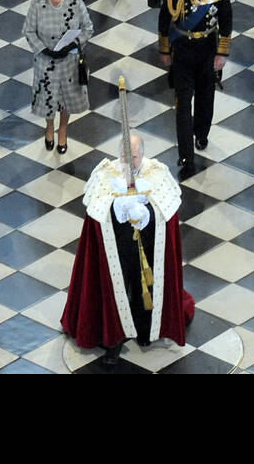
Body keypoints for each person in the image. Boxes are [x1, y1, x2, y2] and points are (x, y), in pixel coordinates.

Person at [62, 131, 188, 365]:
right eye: (124, 156)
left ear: (143, 154)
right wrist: (117, 206)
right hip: (116, 250)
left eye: (135, 157)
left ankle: (145, 329)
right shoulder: (105, 174)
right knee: (117, 290)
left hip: (148, 247)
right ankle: (114, 340)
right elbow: (96, 209)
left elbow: (166, 212)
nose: (129, 162)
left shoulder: (157, 173)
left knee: (145, 289)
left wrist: (146, 212)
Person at [157, 0, 232, 181]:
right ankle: (185, 154)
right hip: (183, 52)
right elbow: (163, 21)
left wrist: (222, 52)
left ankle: (201, 134)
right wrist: (164, 50)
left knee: (205, 97)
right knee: (182, 104)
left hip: (207, 49)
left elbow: (226, 20)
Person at [23, 0, 94, 155]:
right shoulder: (36, 5)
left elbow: (88, 28)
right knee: (48, 98)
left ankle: (62, 130)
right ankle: (49, 127)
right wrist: (44, 50)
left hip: (69, 61)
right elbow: (28, 31)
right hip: (46, 62)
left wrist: (73, 45)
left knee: (67, 98)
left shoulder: (76, 1)